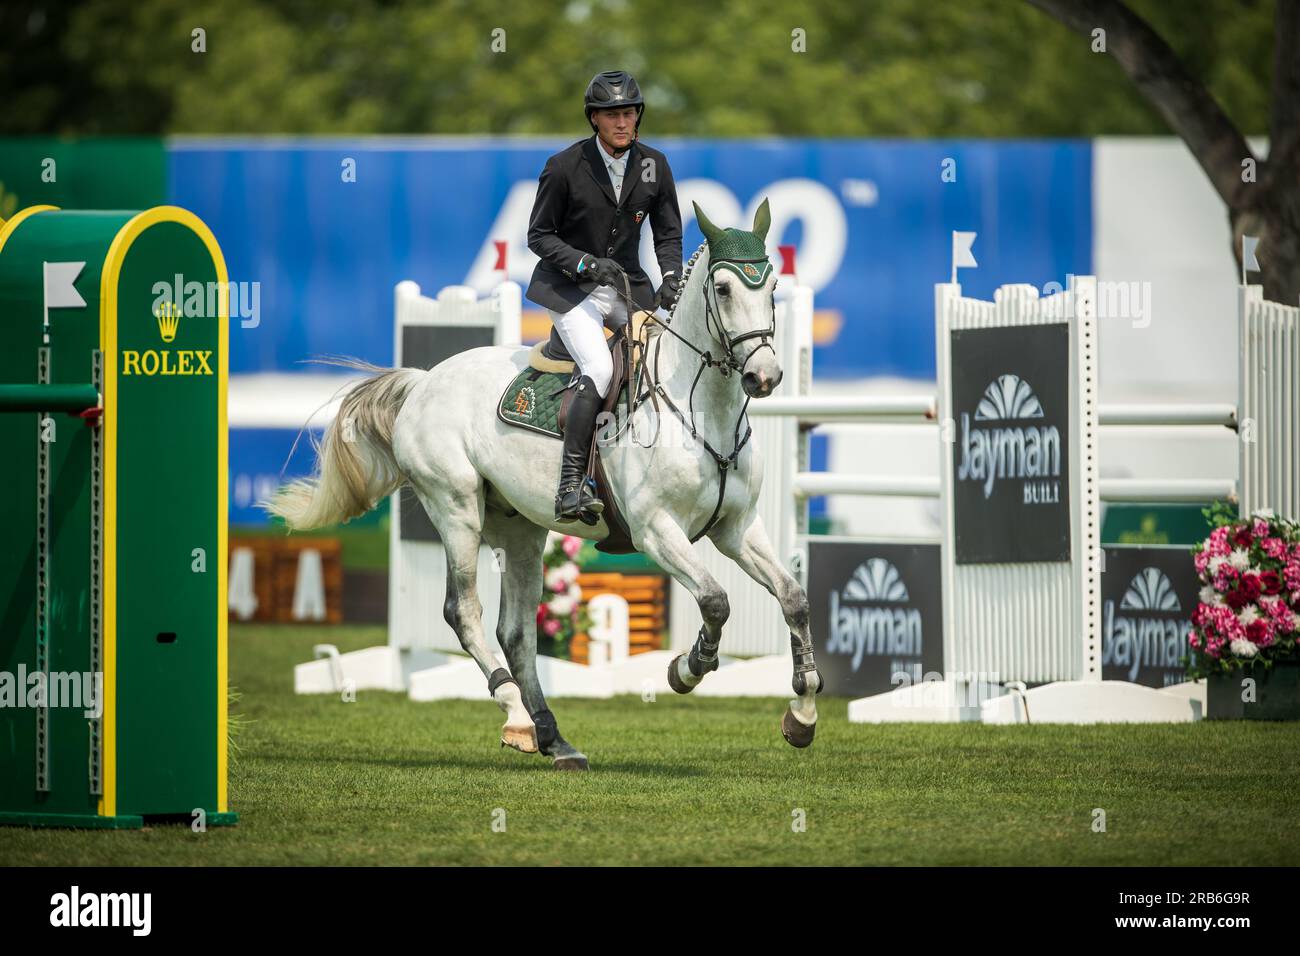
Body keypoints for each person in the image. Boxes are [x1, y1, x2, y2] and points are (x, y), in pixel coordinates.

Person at [526, 69, 684, 523]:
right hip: (570, 286)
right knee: (598, 365)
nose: (622, 122)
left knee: (663, 356)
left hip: (625, 286)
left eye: (629, 113)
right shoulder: (564, 166)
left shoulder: (654, 165)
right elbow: (539, 236)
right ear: (594, 118)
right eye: (612, 114)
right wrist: (584, 262)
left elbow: (668, 233)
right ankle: (571, 485)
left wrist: (670, 276)